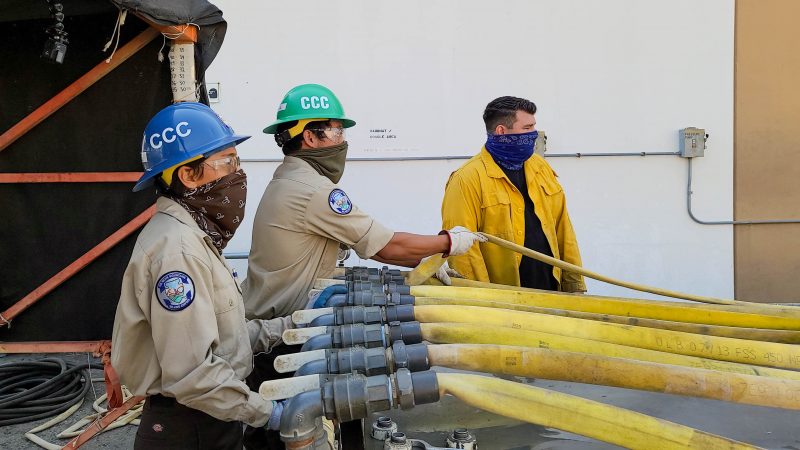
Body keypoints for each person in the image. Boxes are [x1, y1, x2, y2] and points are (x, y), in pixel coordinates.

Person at [111, 102, 290, 449]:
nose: (237, 174)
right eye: (227, 162)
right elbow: (192, 375)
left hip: (208, 417)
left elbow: (225, 338)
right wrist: (268, 412)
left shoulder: (195, 237)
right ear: (188, 176)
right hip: (190, 427)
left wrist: (290, 327)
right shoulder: (178, 252)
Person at [243, 83, 485, 321]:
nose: (342, 141)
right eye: (337, 132)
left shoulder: (289, 180)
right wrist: (450, 242)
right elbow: (386, 246)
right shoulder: (313, 191)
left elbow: (372, 247)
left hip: (265, 312)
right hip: (278, 327)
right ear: (310, 137)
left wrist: (423, 258)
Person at [441, 96, 586, 293]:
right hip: (505, 301)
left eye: (534, 127)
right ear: (501, 131)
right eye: (527, 128)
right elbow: (464, 253)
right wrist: (484, 303)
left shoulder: (540, 167)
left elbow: (563, 229)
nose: (533, 134)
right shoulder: (467, 179)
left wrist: (574, 284)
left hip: (552, 288)